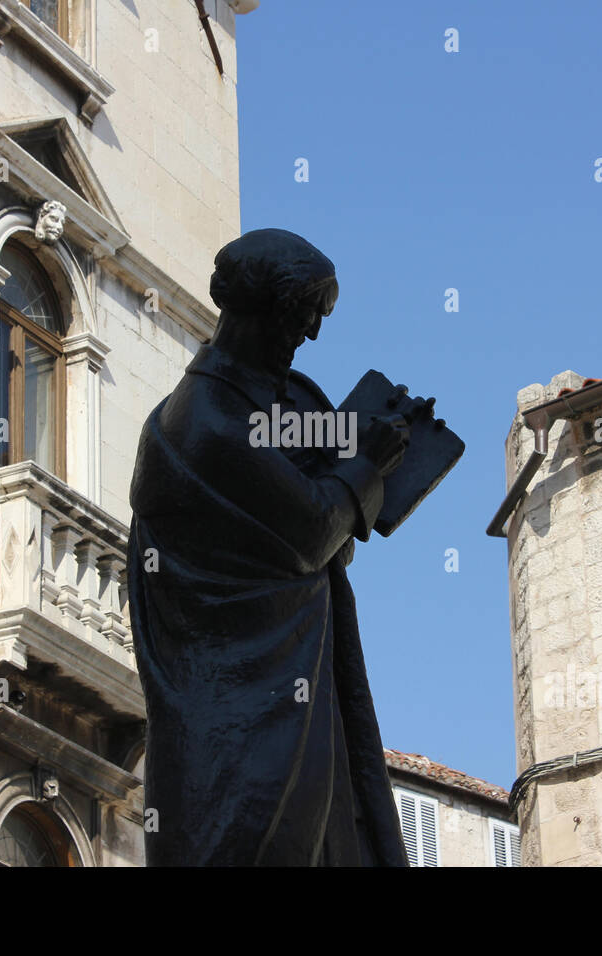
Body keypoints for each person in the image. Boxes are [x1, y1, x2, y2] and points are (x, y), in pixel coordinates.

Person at [127, 228, 411, 865]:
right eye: (300, 319)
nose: (308, 338)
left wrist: (359, 447)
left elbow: (321, 544)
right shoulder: (203, 419)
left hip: (296, 699)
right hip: (242, 717)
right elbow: (311, 533)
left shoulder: (270, 405)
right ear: (257, 312)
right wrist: (365, 466)